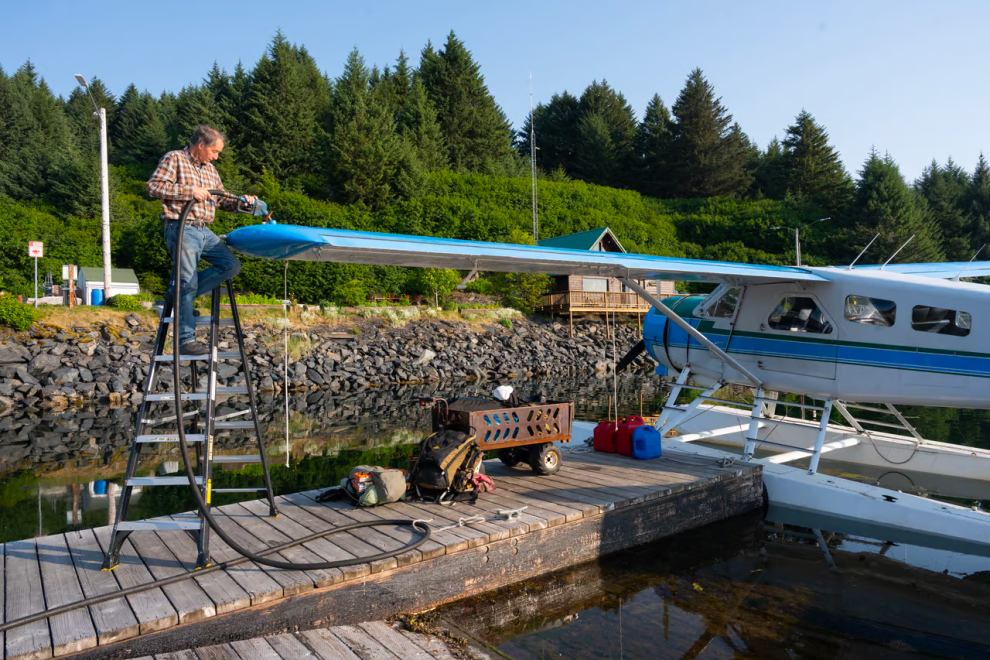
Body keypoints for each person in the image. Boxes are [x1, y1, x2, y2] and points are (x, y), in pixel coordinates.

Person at [147, 126, 255, 355]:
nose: (216, 156)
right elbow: (154, 187)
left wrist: (242, 204)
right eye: (214, 151)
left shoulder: (211, 171)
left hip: (204, 230)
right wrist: (190, 191)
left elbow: (222, 201)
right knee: (187, 282)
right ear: (201, 146)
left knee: (231, 266)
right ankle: (185, 340)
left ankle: (176, 296)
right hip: (181, 227)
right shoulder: (174, 158)